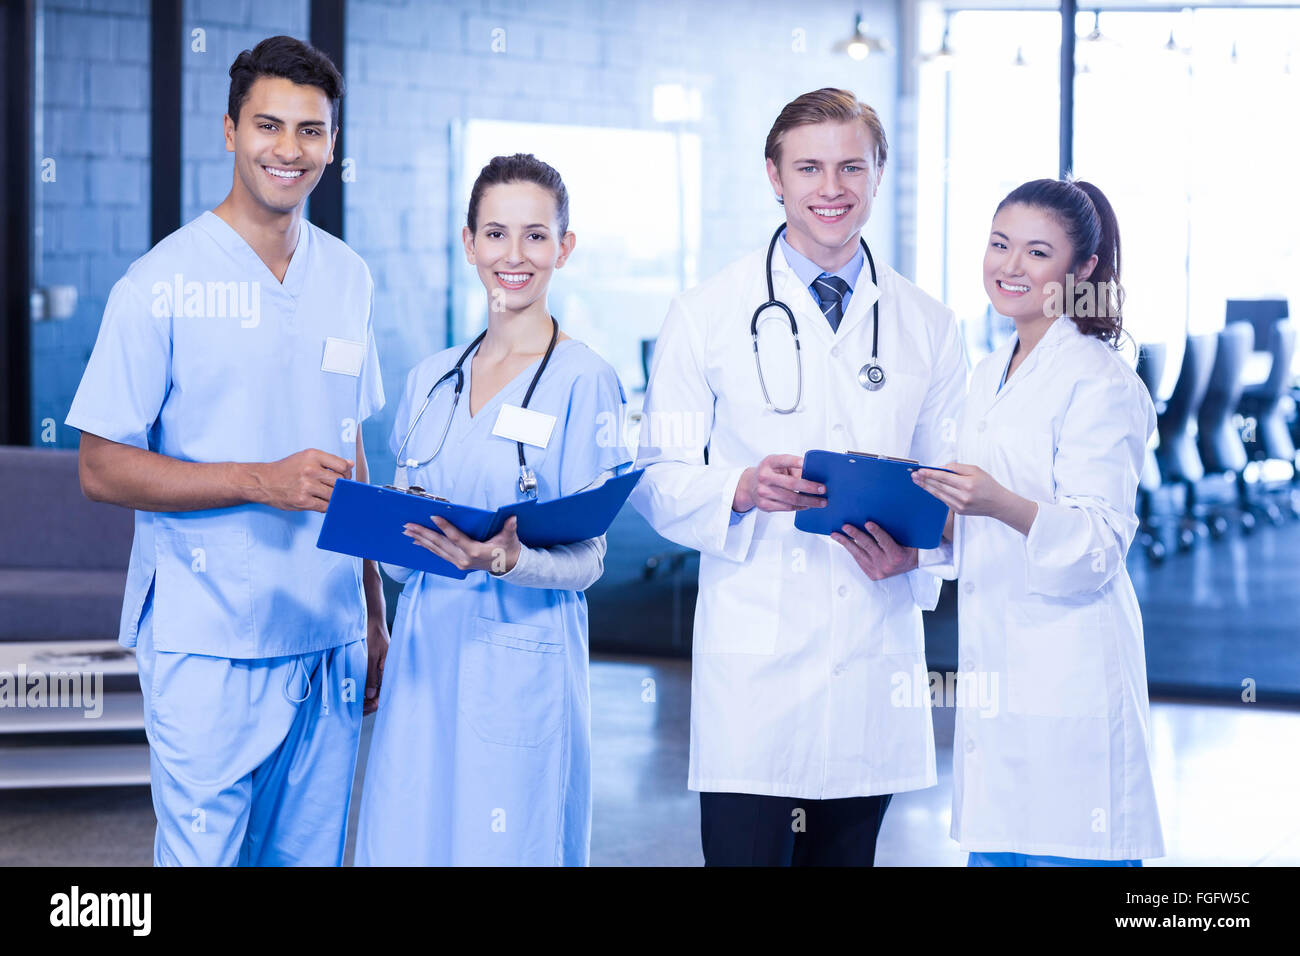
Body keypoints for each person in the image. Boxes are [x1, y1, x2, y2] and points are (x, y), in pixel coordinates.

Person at [65, 37, 387, 866]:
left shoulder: (349, 278)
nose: (289, 150)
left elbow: (351, 446)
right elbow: (100, 466)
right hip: (208, 639)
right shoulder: (159, 283)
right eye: (268, 125)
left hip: (328, 635)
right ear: (230, 129)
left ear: (333, 142)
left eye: (311, 131)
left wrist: (373, 610)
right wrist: (259, 481)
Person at [630, 88, 968, 866]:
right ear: (774, 177)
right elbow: (657, 475)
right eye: (810, 167)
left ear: (879, 175)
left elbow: (953, 487)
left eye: (853, 166)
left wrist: (921, 555)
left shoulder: (928, 325)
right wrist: (740, 489)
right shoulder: (706, 313)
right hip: (756, 664)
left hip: (870, 649)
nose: (832, 188)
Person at [354, 153, 632, 867]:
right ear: (471, 241)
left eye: (536, 236)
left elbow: (589, 557)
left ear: (564, 248)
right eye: (498, 234)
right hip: (425, 649)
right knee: (411, 837)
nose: (515, 256)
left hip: (522, 660)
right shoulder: (430, 378)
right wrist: (393, 533)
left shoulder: (584, 381)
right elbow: (397, 533)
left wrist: (507, 559)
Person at [913, 178, 1165, 866]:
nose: (1009, 267)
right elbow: (973, 519)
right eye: (999, 245)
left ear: (1081, 271)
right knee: (999, 846)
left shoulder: (1102, 381)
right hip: (997, 679)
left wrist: (999, 501)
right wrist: (911, 537)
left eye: (1036, 252)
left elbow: (1100, 544)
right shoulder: (990, 370)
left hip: (1071, 673)